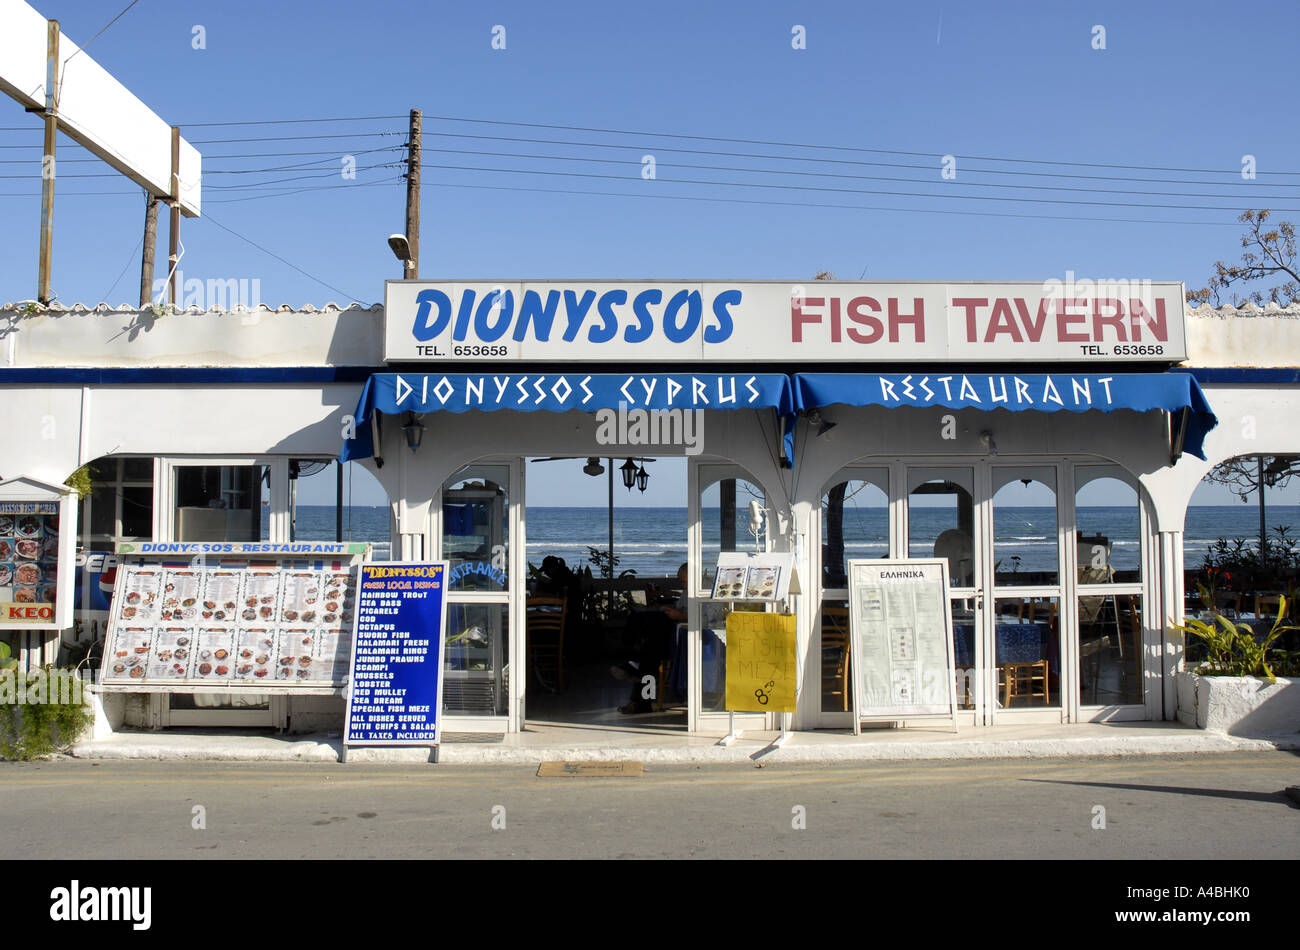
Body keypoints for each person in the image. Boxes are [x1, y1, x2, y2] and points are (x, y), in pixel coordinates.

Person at [613, 562, 688, 714]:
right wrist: (673, 610)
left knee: (648, 655)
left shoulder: (704, 591)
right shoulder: (688, 592)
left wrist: (681, 615)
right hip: (669, 635)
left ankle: (633, 659)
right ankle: (641, 702)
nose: (683, 584)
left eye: (685, 580)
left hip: (683, 637)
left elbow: (706, 617)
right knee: (649, 652)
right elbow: (679, 607)